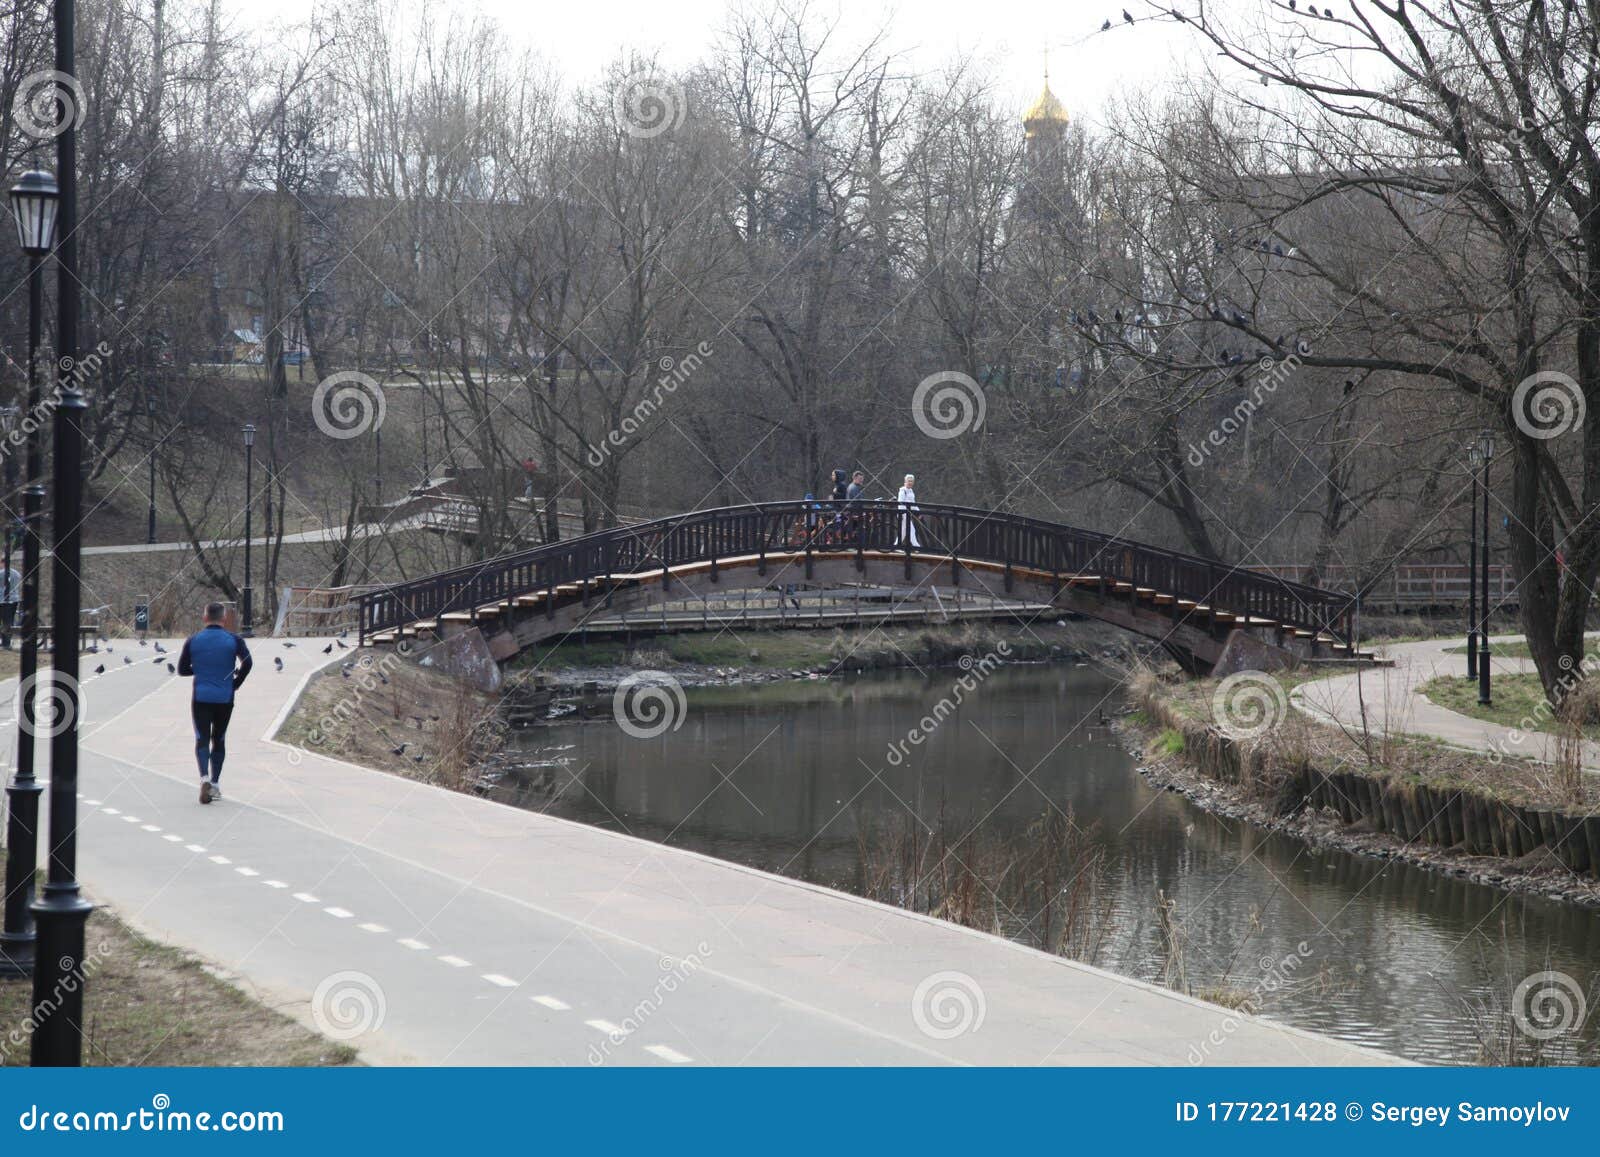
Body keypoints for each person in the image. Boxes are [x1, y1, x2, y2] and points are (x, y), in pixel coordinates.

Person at [177, 602, 253, 804]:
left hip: (201, 697)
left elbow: (182, 670)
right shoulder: (234, 640)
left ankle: (204, 778)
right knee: (218, 738)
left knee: (201, 738)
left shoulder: (193, 640)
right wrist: (236, 683)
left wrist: (201, 669)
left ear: (205, 618)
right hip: (225, 697)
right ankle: (216, 783)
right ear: (224, 618)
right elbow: (248, 662)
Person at [897, 473, 921, 548]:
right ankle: (917, 547)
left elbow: (913, 503)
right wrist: (903, 514)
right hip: (903, 514)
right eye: (909, 481)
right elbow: (900, 503)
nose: (910, 482)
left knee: (903, 531)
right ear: (905, 481)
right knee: (911, 530)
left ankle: (895, 545)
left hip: (908, 514)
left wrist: (918, 512)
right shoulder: (902, 491)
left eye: (911, 481)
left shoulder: (911, 491)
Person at [0, 559, 18, 650]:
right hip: (15, 599)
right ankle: (6, 641)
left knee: (5, 621)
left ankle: (6, 643)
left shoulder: (1, 573)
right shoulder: (16, 573)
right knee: (9, 621)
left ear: (3, 563)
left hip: (4, 600)